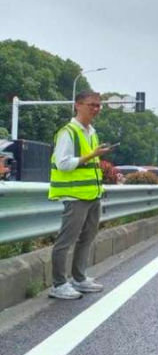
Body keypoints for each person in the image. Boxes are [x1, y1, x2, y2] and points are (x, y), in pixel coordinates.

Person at [48, 91, 114, 300]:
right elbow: (63, 163)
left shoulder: (91, 132)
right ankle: (58, 284)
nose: (95, 109)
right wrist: (92, 155)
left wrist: (96, 157)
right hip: (74, 195)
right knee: (65, 241)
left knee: (87, 238)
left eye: (98, 105)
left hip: (92, 194)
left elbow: (88, 163)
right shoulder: (68, 132)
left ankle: (79, 278)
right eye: (91, 105)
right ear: (78, 105)